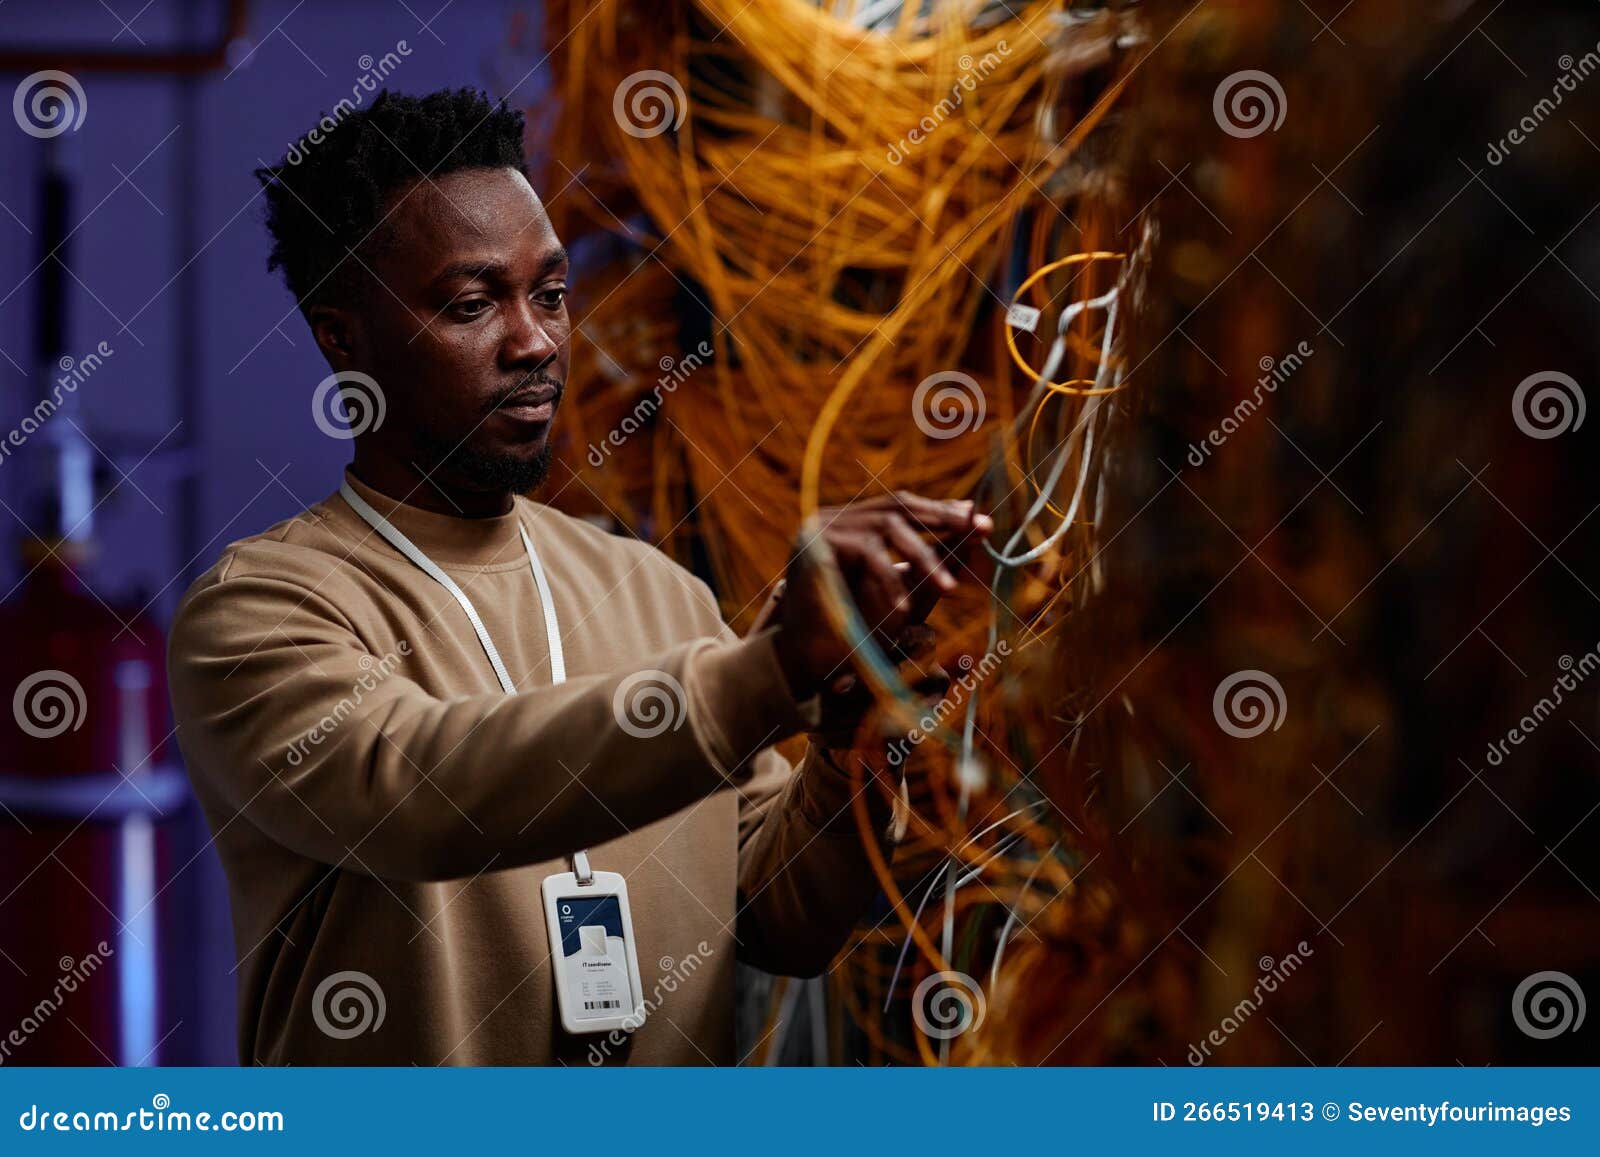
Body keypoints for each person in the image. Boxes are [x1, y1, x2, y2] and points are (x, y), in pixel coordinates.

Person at [167, 88, 990, 1065]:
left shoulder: (654, 591)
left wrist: (856, 736)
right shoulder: (264, 612)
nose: (537, 342)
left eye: (549, 292)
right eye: (473, 304)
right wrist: (769, 668)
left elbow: (784, 920)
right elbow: (421, 789)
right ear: (343, 337)